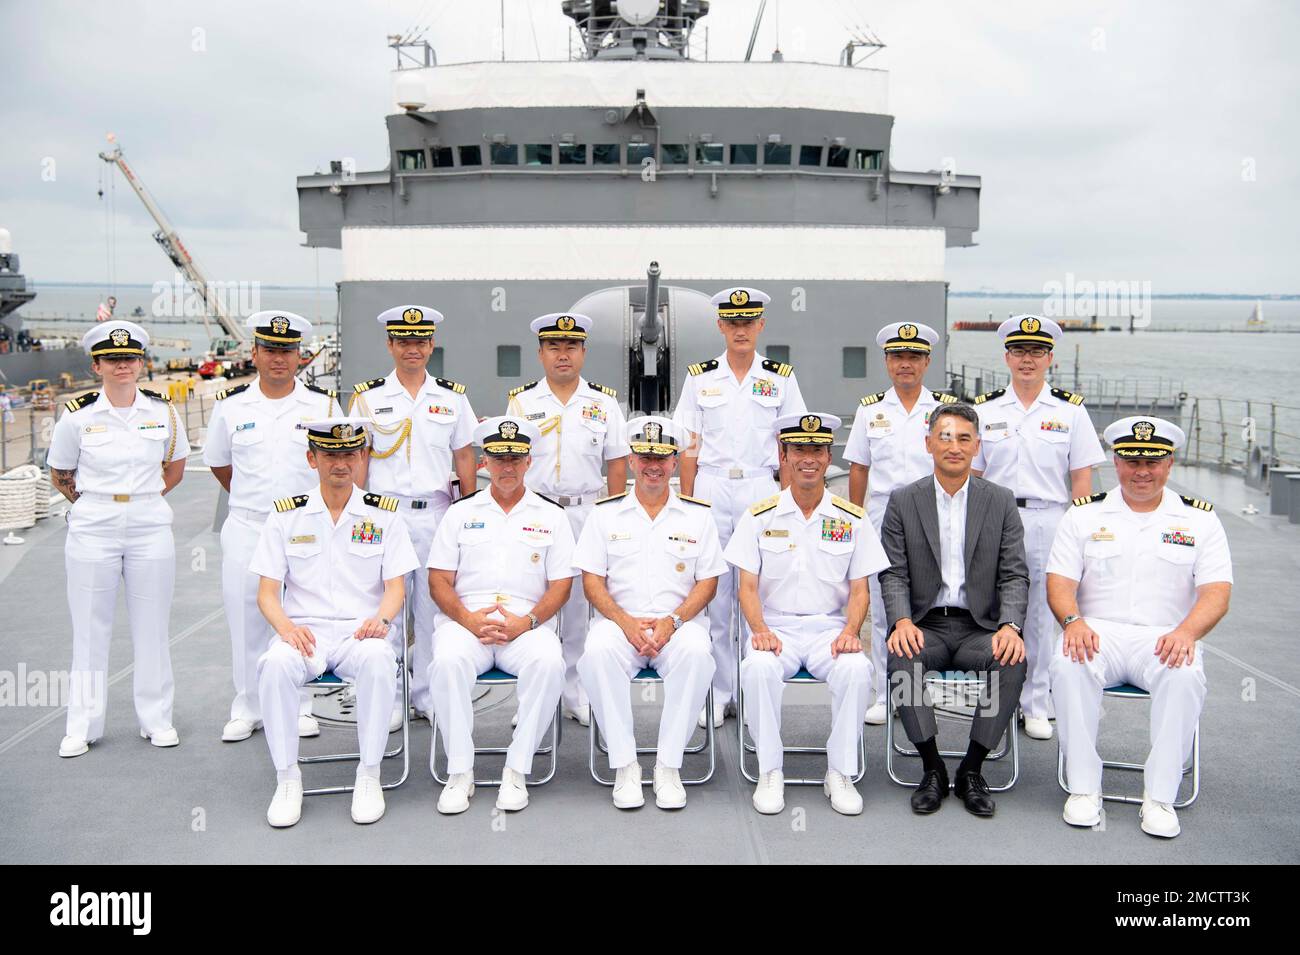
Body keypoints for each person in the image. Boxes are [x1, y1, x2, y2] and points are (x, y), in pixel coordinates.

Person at [1047, 416, 1232, 838]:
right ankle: (1082, 789)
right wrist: (1072, 622)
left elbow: (1216, 592)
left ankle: (1160, 798)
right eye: (1132, 461)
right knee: (1067, 664)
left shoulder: (1199, 520)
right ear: (1116, 461)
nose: (1142, 471)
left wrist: (1186, 633)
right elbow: (1059, 581)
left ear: (1170, 464)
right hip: (1096, 632)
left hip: (1165, 635)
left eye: (1153, 461)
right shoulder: (1084, 514)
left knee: (1185, 675)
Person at [250, 418, 417, 828]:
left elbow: (397, 587)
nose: (340, 463)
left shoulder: (385, 516)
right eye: (330, 455)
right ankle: (287, 777)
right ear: (312, 458)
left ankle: (369, 773)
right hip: (304, 634)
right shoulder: (285, 517)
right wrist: (286, 629)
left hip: (360, 633)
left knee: (380, 660)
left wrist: (382, 619)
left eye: (348, 454)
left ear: (362, 458)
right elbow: (267, 593)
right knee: (273, 665)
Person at [726, 412, 889, 816]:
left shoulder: (851, 519)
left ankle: (841, 771)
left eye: (817, 449)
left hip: (828, 628)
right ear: (782, 454)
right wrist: (759, 630)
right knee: (759, 669)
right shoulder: (758, 516)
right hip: (774, 626)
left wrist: (852, 630)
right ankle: (769, 769)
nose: (809, 459)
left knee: (855, 669)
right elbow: (746, 586)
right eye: (799, 449)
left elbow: (859, 588)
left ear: (828, 454)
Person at [47, 320, 189, 758]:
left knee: (152, 626)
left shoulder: (162, 412)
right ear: (97, 365)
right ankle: (82, 725)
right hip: (94, 525)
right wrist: (96, 504)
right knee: (90, 628)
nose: (122, 365)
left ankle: (157, 719)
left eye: (129, 358)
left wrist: (141, 500)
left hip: (149, 523)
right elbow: (60, 473)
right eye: (113, 359)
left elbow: (176, 466)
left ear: (141, 363)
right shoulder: (78, 416)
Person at [880, 402, 1028, 817]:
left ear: (977, 446)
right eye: (945, 437)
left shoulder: (999, 501)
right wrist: (901, 621)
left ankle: (971, 769)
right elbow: (893, 573)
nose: (954, 446)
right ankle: (930, 767)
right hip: (925, 626)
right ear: (928, 443)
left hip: (979, 629)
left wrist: (1011, 626)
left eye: (964, 438)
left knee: (1011, 659)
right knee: (902, 658)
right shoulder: (903, 501)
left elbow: (1015, 574)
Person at [673, 286, 806, 729]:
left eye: (749, 322)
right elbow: (688, 444)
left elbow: (791, 444)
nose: (741, 330)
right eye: (733, 323)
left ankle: (753, 690)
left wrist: (785, 503)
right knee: (714, 596)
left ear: (761, 326)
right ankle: (719, 690)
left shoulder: (781, 377)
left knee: (758, 595)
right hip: (711, 488)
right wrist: (689, 502)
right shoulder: (700, 377)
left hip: (759, 490)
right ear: (721, 327)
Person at [426, 417, 574, 815]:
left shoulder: (552, 515)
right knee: (447, 662)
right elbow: (439, 580)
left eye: (516, 458)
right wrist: (469, 619)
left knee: (549, 663)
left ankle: (516, 769)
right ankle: (459, 771)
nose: (507, 466)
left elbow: (561, 585)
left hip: (526, 623)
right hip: (466, 621)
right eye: (498, 457)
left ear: (529, 461)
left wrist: (525, 623)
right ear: (484, 462)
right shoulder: (459, 513)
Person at [575, 416, 722, 810]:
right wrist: (624, 622)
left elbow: (708, 582)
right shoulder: (604, 514)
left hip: (678, 624)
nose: (653, 465)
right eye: (644, 456)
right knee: (597, 652)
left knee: (696, 654)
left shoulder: (698, 516)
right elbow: (592, 582)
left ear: (675, 461)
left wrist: (672, 622)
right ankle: (624, 765)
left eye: (663, 457)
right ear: (633, 461)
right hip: (619, 623)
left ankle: (668, 766)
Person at [205, 311, 337, 743]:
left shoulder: (323, 406)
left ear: (300, 356)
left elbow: (338, 462)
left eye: (288, 350)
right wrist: (253, 501)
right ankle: (248, 705)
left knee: (302, 614)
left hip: (304, 525)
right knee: (245, 616)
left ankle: (300, 705)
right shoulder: (231, 407)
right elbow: (221, 465)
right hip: (248, 524)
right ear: (255, 353)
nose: (279, 358)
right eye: (271, 350)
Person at [971, 315, 1105, 741]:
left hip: (1051, 518)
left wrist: (1079, 530)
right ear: (1006, 356)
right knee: (993, 609)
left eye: (1036, 352)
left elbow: (1081, 478)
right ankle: (997, 696)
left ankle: (1036, 703)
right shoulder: (984, 409)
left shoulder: (1070, 410)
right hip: (996, 517)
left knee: (1043, 615)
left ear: (1050, 358)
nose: (1027, 360)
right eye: (1019, 351)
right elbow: (973, 474)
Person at [349, 305, 478, 729]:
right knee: (382, 606)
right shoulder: (367, 397)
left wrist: (470, 513)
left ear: (431, 345)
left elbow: (464, 455)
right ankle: (386, 694)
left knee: (430, 608)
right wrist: (356, 513)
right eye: (403, 341)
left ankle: (425, 692)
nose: (412, 349)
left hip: (436, 513)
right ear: (390, 344)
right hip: (383, 515)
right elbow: (357, 459)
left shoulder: (451, 396)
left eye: (420, 341)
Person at [507, 312, 630, 727]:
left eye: (571, 347)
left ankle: (574, 689)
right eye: (554, 348)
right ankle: (533, 697)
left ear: (583, 352)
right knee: (530, 598)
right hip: (535, 511)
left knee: (578, 606)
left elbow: (616, 465)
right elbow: (510, 460)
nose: (563, 355)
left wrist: (612, 518)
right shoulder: (522, 403)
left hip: (585, 511)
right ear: (541, 354)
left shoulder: (603, 402)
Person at [843, 321, 958, 724]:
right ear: (887, 362)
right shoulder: (870, 409)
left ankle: (918, 688)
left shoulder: (945, 410)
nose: (905, 364)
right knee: (880, 605)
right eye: (897, 357)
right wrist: (856, 521)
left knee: (931, 602)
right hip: (882, 516)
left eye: (913, 357)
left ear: (927, 361)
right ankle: (883, 692)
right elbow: (859, 468)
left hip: (936, 515)